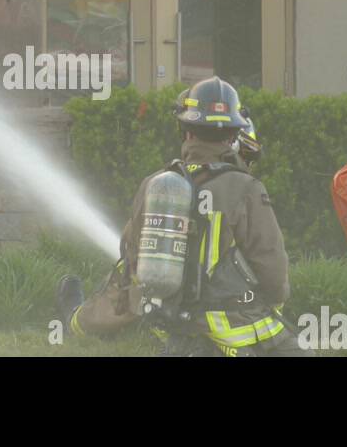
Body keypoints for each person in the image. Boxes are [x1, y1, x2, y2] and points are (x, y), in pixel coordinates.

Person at [55, 76, 313, 356]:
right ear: (233, 135)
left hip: (176, 326)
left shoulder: (155, 186)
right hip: (238, 331)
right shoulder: (246, 188)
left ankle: (77, 322)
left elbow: (132, 262)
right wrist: (274, 301)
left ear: (186, 131)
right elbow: (271, 262)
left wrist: (81, 320)